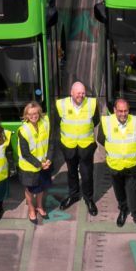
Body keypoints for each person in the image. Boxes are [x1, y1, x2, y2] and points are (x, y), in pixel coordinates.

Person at [55, 81, 100, 215]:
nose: (81, 95)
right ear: (71, 93)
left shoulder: (92, 104)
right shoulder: (61, 104)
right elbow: (58, 122)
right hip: (69, 146)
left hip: (86, 146)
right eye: (78, 93)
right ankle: (73, 196)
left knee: (87, 175)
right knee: (72, 173)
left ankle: (89, 199)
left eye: (83, 93)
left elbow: (95, 120)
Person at [101, 97, 136, 228]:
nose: (123, 114)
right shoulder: (106, 122)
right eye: (120, 111)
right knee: (119, 192)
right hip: (115, 165)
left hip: (132, 166)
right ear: (114, 110)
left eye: (126, 111)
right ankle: (123, 210)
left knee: (133, 192)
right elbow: (100, 139)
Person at [17, 101, 53, 226]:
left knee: (41, 188)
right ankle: (31, 209)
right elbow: (25, 153)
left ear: (39, 113)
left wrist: (49, 158)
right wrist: (39, 164)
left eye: (36, 113)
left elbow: (51, 142)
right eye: (30, 114)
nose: (33, 116)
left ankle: (39, 206)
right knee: (29, 190)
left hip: (44, 164)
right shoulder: (23, 130)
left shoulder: (46, 122)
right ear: (26, 115)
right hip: (29, 167)